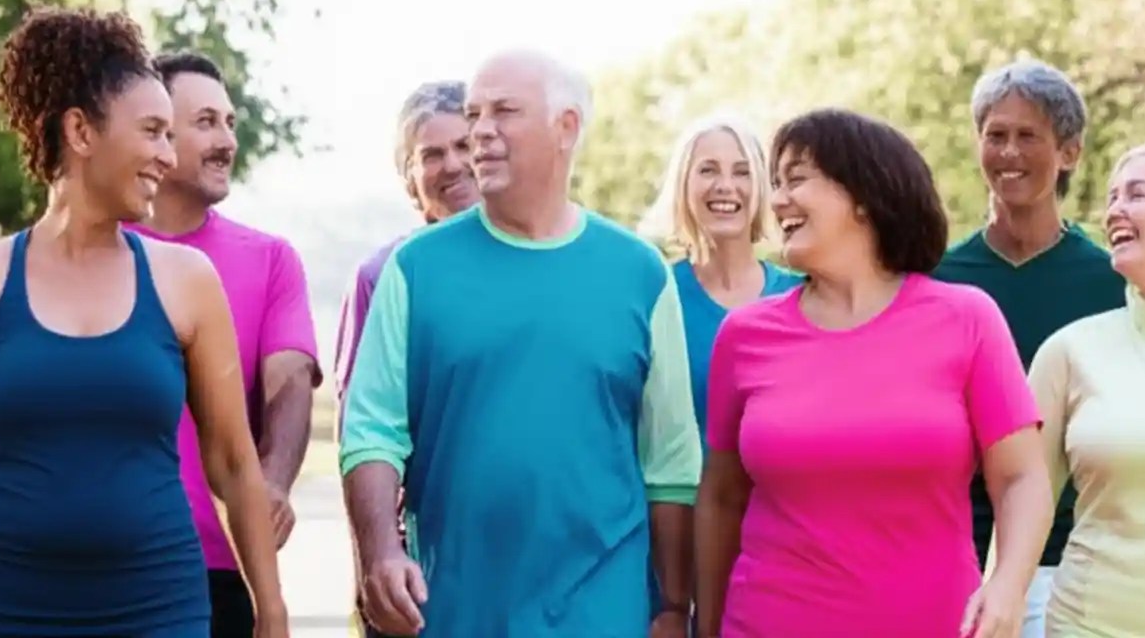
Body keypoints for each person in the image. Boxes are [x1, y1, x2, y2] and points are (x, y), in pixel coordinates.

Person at [0, 7, 287, 636]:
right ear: (81, 132)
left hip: (158, 609)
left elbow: (232, 461)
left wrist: (272, 613)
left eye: (171, 136)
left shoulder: (188, 282)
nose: (166, 157)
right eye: (152, 131)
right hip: (4, 610)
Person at [340, 50, 701, 637]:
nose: (480, 131)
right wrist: (381, 552)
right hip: (458, 608)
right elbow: (371, 432)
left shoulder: (639, 272)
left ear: (567, 128)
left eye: (504, 111)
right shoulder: (414, 269)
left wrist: (671, 605)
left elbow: (671, 463)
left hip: (604, 609)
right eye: (474, 113)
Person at [695, 108, 1053, 638]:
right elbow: (722, 496)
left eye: (795, 179)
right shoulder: (745, 335)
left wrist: (1007, 586)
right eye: (775, 184)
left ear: (862, 194)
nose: (776, 201)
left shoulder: (966, 318)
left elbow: (1023, 477)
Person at [127, 50, 320, 637]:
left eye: (230, 124)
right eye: (206, 122)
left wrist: (275, 479)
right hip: (106, 562)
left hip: (221, 565)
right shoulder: (97, 253)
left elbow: (289, 383)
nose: (226, 141)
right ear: (155, 129)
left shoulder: (271, 259)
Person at [933, 59, 1125, 636]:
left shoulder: (1112, 282)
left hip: (1068, 562)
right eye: (996, 135)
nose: (1009, 152)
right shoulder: (939, 278)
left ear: (1069, 153)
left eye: (1028, 136)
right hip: (955, 554)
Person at [1027, 142, 1145, 636]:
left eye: (1137, 194)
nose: (1115, 210)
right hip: (1089, 625)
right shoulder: (1069, 350)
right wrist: (1000, 602)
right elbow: (1025, 500)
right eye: (1112, 197)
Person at [333, 80, 477, 638]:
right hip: (418, 557)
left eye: (464, 146)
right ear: (409, 178)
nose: (453, 165)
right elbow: (360, 433)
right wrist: (370, 568)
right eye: (432, 154)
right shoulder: (382, 276)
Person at [639, 112, 802, 441]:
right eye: (708, 170)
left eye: (742, 172)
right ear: (683, 184)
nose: (725, 186)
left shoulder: (803, 295)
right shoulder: (655, 296)